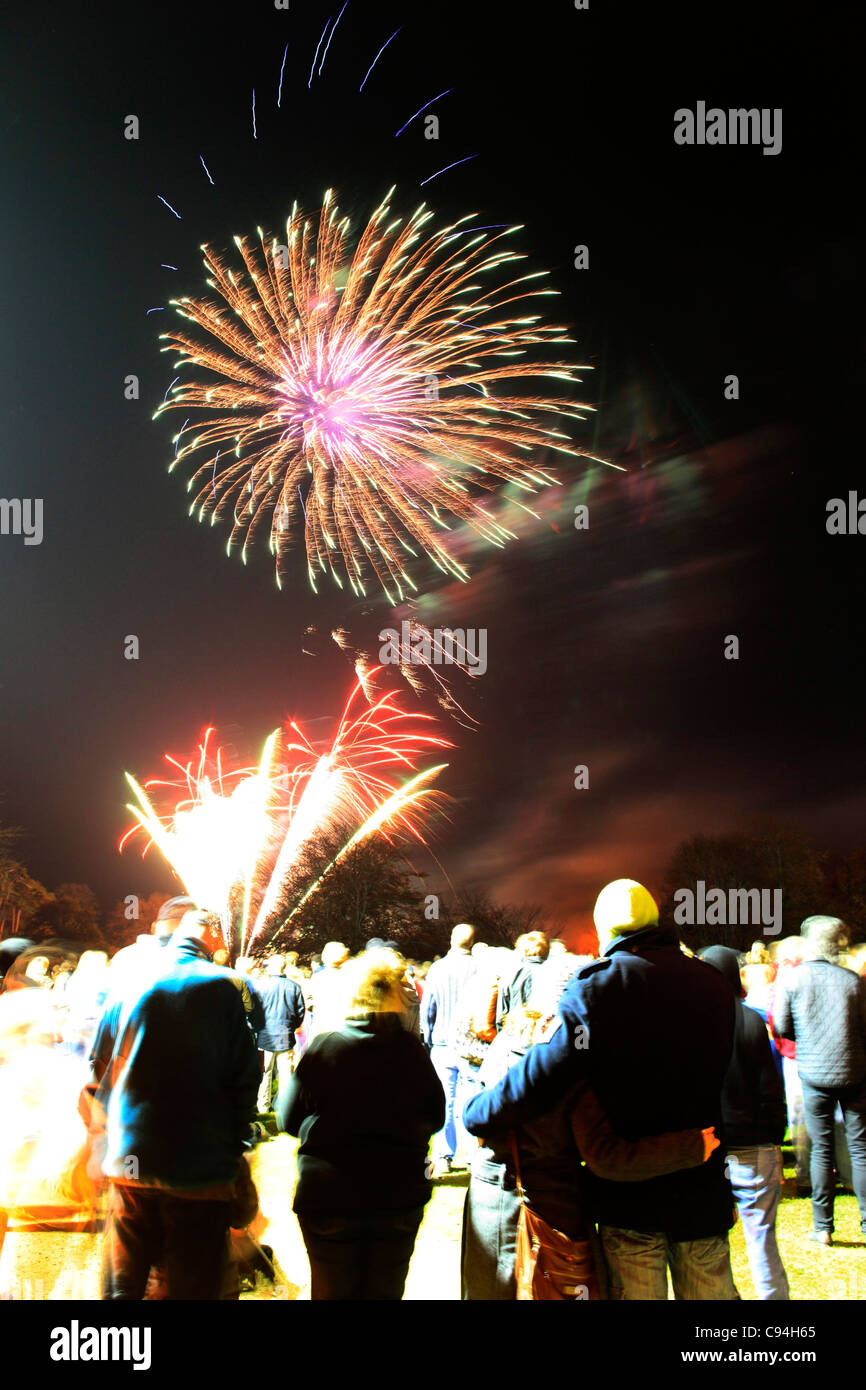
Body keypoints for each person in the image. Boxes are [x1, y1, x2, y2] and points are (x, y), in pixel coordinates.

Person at [463, 879, 738, 1300]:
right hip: (702, 1182)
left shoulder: (601, 984)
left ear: (605, 930)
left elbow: (551, 1067)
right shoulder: (710, 980)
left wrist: (483, 1110)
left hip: (632, 1197)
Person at [88, 907, 260, 1299]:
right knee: (194, 1282)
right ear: (213, 936)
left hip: (129, 1161)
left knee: (124, 1282)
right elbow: (246, 1078)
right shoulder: (228, 986)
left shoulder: (129, 980)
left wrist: (104, 1139)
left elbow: (98, 1071)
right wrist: (234, 1147)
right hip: (200, 1167)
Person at [277, 949, 445, 1299]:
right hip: (395, 1197)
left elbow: (286, 1118)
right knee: (385, 1290)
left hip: (330, 1197)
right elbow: (436, 1116)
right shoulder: (411, 1052)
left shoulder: (326, 1048)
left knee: (331, 1290)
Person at [700, 946, 789, 1299]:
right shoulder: (751, 1020)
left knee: (712, 1244)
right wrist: (773, 1136)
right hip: (753, 1144)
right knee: (762, 1238)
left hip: (709, 1146)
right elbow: (770, 1086)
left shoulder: (693, 1021)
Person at [773, 915, 866, 1245]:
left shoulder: (793, 980)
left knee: (821, 1150)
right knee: (860, 1149)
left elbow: (782, 1027)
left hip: (813, 1073)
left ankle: (823, 1227)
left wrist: (811, 1040)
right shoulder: (853, 981)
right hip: (854, 1072)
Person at [421, 923, 478, 1176]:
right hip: (471, 1044)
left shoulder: (438, 968)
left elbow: (429, 1006)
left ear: (452, 939)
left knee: (445, 1098)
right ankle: (472, 1153)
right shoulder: (479, 967)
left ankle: (443, 1154)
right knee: (470, 1097)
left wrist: (428, 1034)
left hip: (443, 1041)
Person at [255, 955, 305, 1114]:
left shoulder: (261, 985)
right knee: (285, 1073)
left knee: (265, 1072)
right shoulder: (294, 986)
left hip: (265, 1035)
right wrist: (292, 1026)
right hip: (285, 1034)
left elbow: (254, 1010)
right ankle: (285, 1106)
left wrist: (257, 1027)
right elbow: (300, 1012)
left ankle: (263, 1105)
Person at [306, 941, 350, 1037]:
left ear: (324, 956)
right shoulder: (352, 976)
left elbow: (309, 1002)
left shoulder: (318, 977)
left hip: (323, 1027)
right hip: (346, 1028)